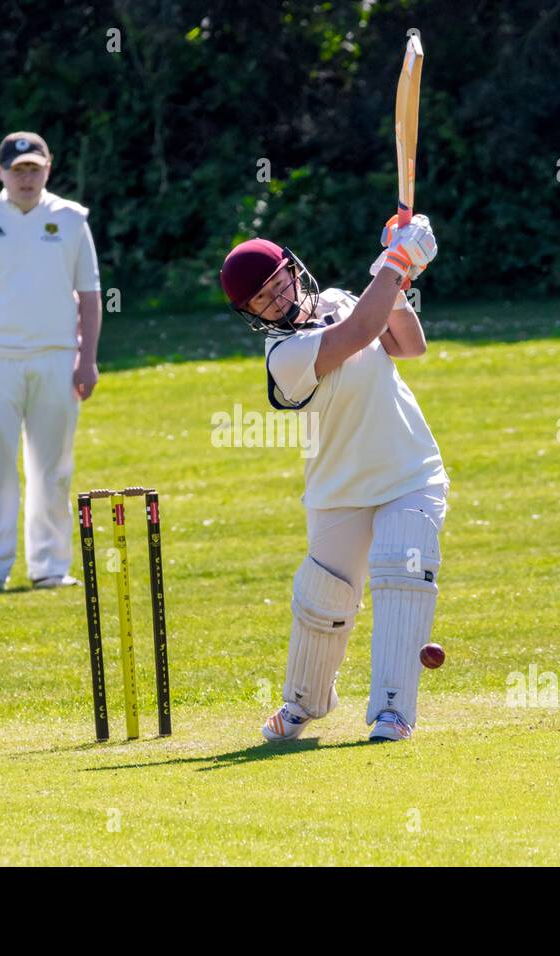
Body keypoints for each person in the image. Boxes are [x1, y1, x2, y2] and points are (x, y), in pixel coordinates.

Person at [220, 216, 447, 743]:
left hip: (410, 471)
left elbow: (409, 345)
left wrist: (398, 271)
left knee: (402, 571)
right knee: (323, 601)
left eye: (279, 282)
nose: (278, 299)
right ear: (250, 314)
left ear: (293, 270)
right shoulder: (284, 357)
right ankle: (302, 704)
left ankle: (393, 710)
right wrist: (392, 265)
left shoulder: (345, 299)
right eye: (262, 299)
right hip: (338, 490)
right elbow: (359, 334)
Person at [0, 132, 102, 594]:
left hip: (57, 356)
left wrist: (87, 359)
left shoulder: (72, 220)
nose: (27, 178)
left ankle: (50, 567)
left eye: (34, 169)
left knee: (52, 468)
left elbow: (91, 298)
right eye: (18, 170)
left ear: (48, 169)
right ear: (0, 172)